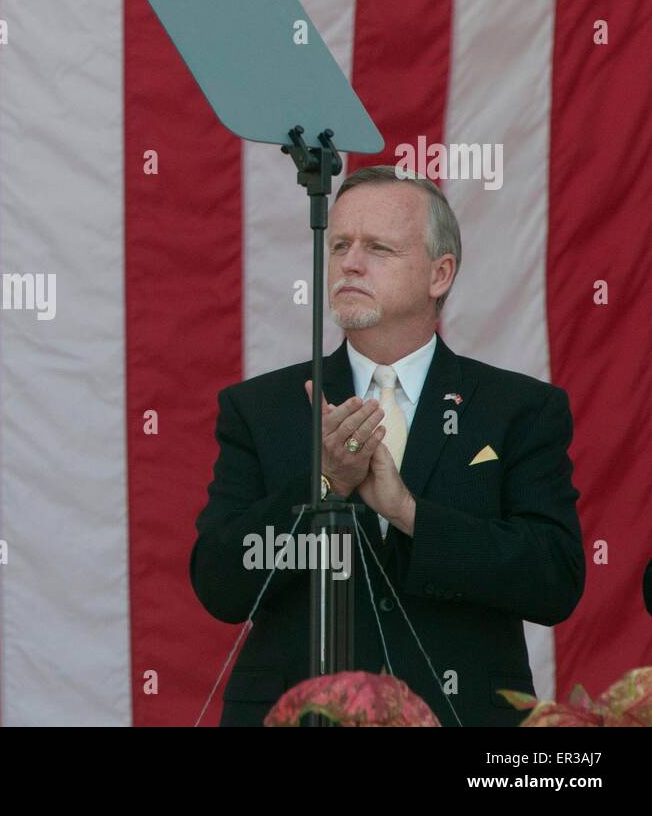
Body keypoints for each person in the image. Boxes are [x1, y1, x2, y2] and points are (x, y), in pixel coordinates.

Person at [190, 164, 583, 725]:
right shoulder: (261, 409)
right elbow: (220, 584)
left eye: (378, 247)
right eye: (341, 244)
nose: (349, 262)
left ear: (439, 274)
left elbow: (556, 581)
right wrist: (322, 484)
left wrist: (408, 513)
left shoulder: (518, 410)